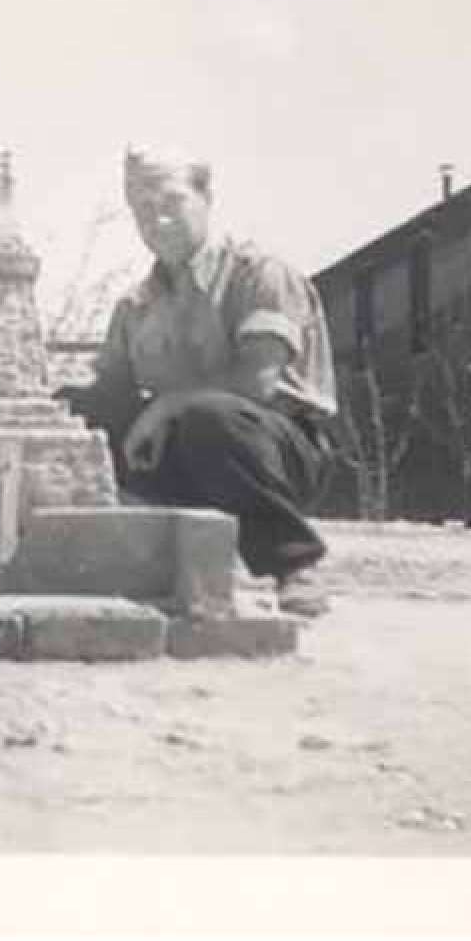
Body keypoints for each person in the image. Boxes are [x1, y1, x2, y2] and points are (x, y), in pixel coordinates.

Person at [59, 146, 338, 617]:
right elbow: (110, 390)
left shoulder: (260, 273)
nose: (158, 221)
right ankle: (96, 549)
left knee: (208, 417)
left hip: (274, 450)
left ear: (205, 195)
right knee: (74, 412)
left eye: (171, 203)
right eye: (143, 209)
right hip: (183, 451)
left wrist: (168, 406)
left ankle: (294, 566)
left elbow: (258, 381)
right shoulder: (136, 304)